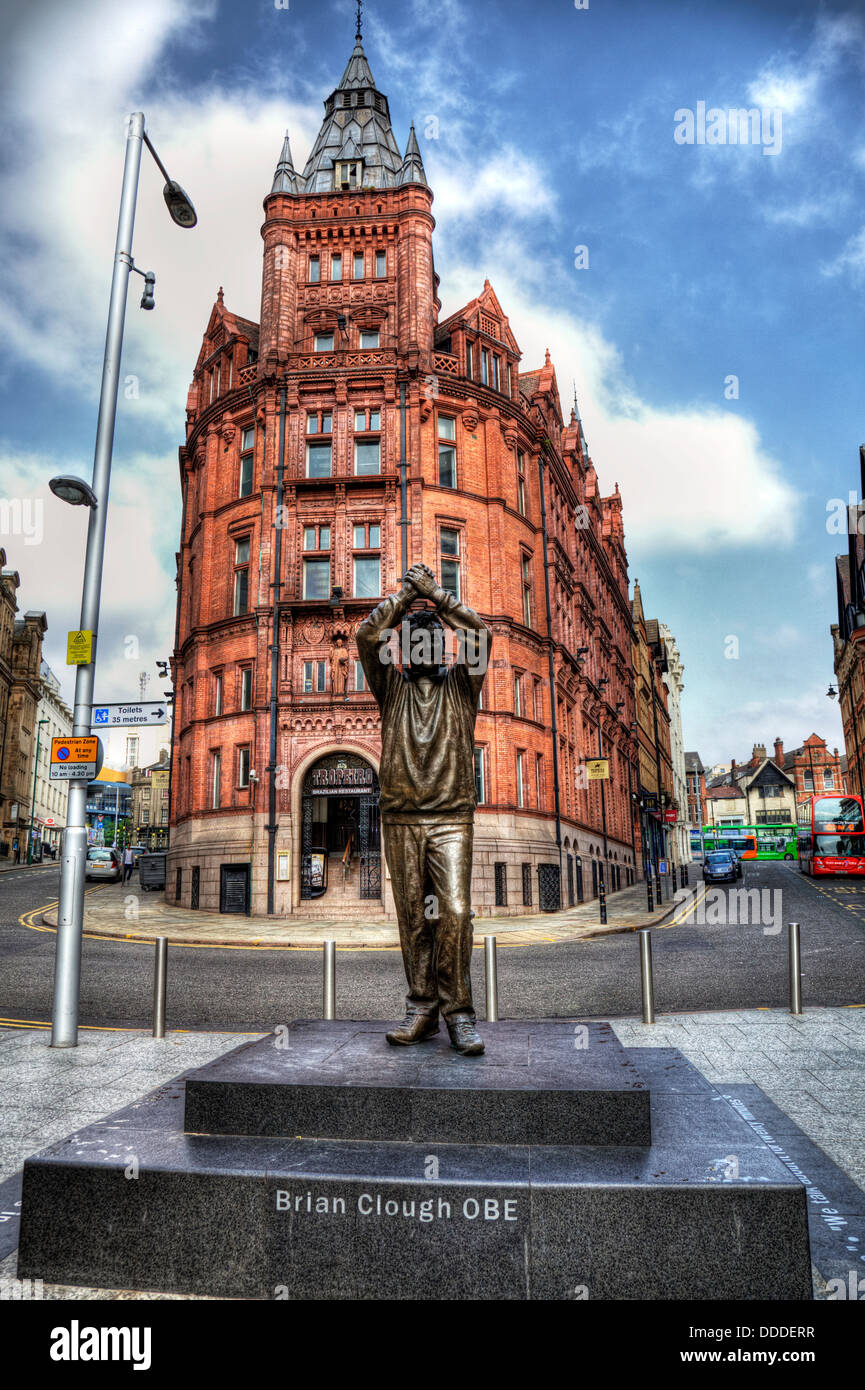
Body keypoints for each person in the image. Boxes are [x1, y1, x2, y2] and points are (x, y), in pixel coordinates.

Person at [356, 562, 491, 1056]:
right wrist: (403, 596)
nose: (424, 650)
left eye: (431, 641)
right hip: (401, 816)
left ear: (443, 648)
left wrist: (436, 596)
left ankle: (459, 1013)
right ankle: (422, 1009)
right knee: (413, 917)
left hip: (452, 816)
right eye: (414, 642)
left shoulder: (463, 686)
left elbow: (480, 631)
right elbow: (366, 635)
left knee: (454, 913)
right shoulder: (390, 688)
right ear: (404, 652)